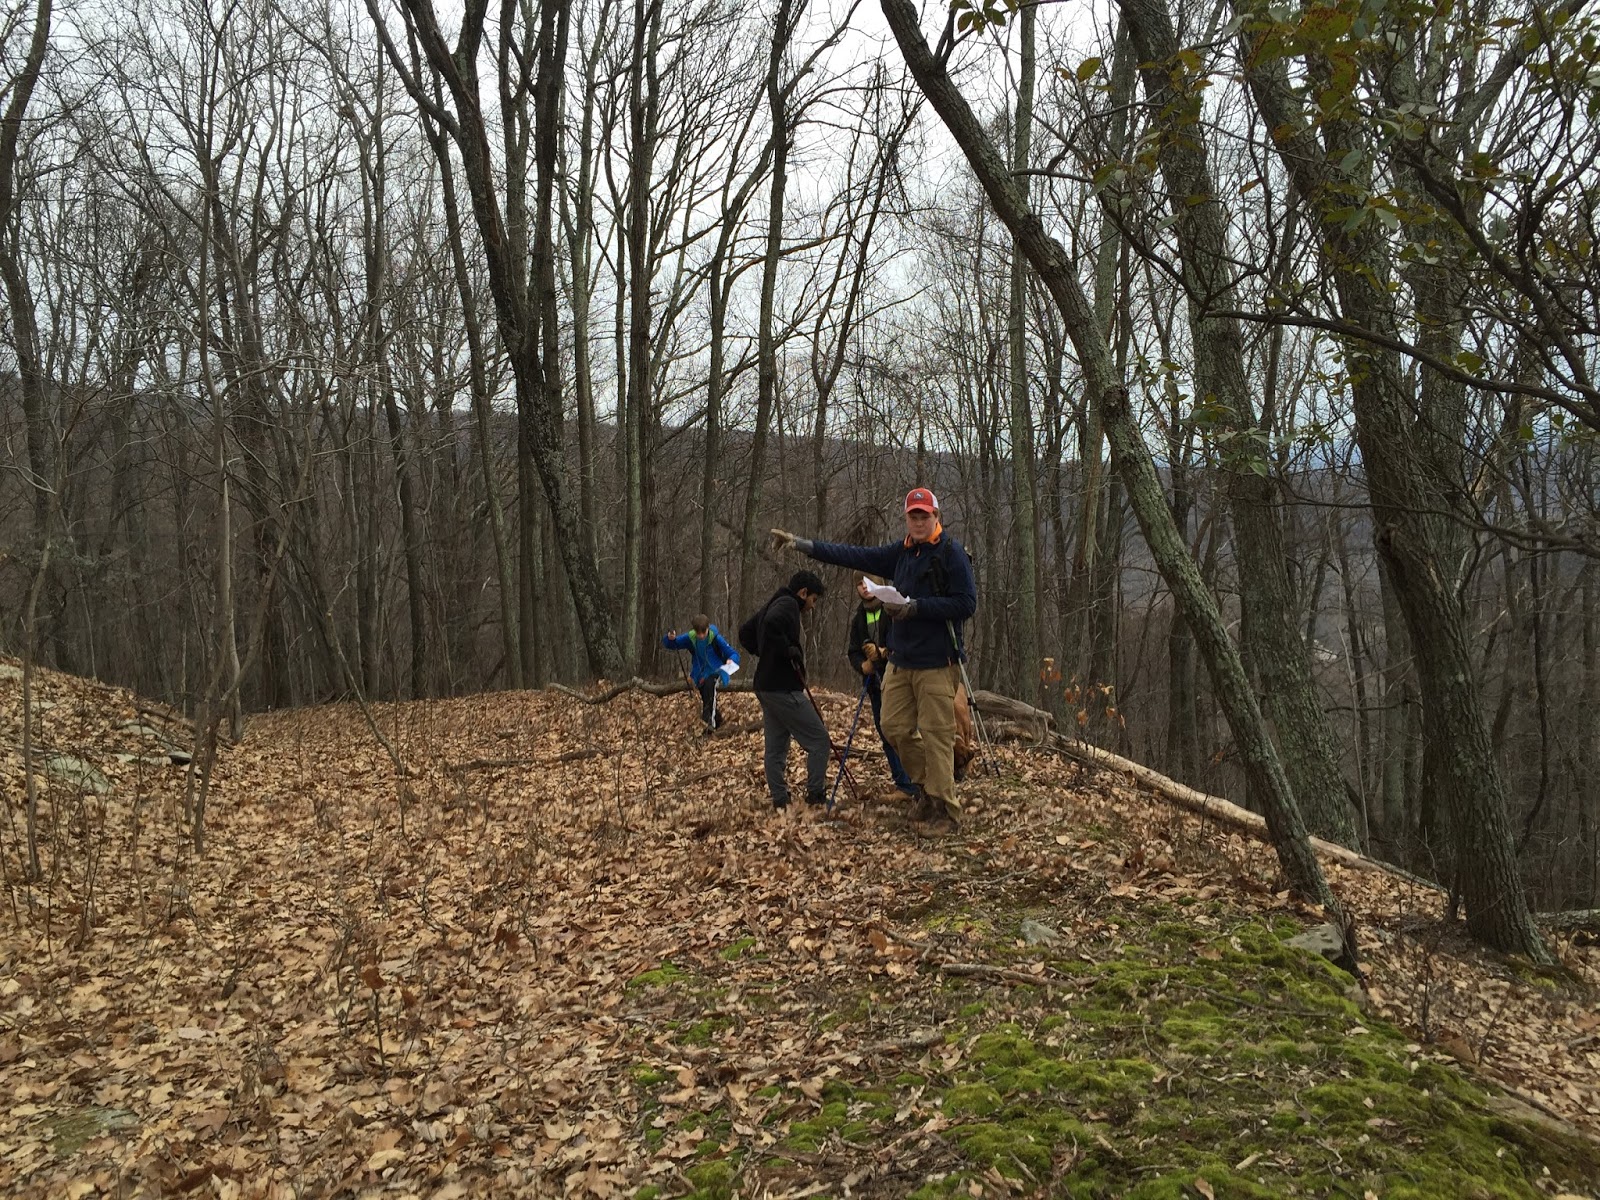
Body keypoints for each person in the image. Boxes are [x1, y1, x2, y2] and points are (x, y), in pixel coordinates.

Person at [771, 487, 976, 834]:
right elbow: (853, 555)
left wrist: (917, 608)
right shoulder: (901, 553)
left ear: (936, 516)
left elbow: (966, 604)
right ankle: (928, 789)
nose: (919, 521)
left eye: (925, 515)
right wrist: (802, 544)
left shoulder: (951, 554)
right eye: (913, 515)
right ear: (907, 518)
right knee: (893, 726)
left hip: (936, 662)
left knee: (937, 735)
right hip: (900, 660)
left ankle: (946, 812)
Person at [738, 570, 830, 810]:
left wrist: (766, 652)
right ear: (803, 593)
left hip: (766, 687)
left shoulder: (776, 600)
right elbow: (770, 625)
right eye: (813, 599)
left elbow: (745, 633)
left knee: (777, 746)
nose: (812, 606)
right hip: (782, 688)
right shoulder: (788, 604)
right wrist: (786, 650)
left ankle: (780, 800)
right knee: (820, 740)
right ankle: (816, 796)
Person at [847, 579, 916, 796]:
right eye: (859, 584)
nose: (864, 588)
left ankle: (921, 781)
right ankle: (903, 784)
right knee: (885, 732)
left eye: (868, 582)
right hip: (875, 684)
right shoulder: (859, 617)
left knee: (907, 731)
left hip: (901, 680)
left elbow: (906, 639)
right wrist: (863, 665)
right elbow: (853, 651)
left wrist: (884, 652)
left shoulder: (892, 607)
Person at [661, 614, 738, 732]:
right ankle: (717, 719)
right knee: (706, 696)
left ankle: (709, 725)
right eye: (698, 633)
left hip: (716, 671)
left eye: (704, 632)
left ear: (708, 628)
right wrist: (669, 638)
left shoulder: (715, 638)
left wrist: (731, 659)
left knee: (709, 687)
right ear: (694, 630)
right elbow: (673, 644)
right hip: (700, 673)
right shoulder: (691, 638)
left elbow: (733, 653)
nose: (701, 635)